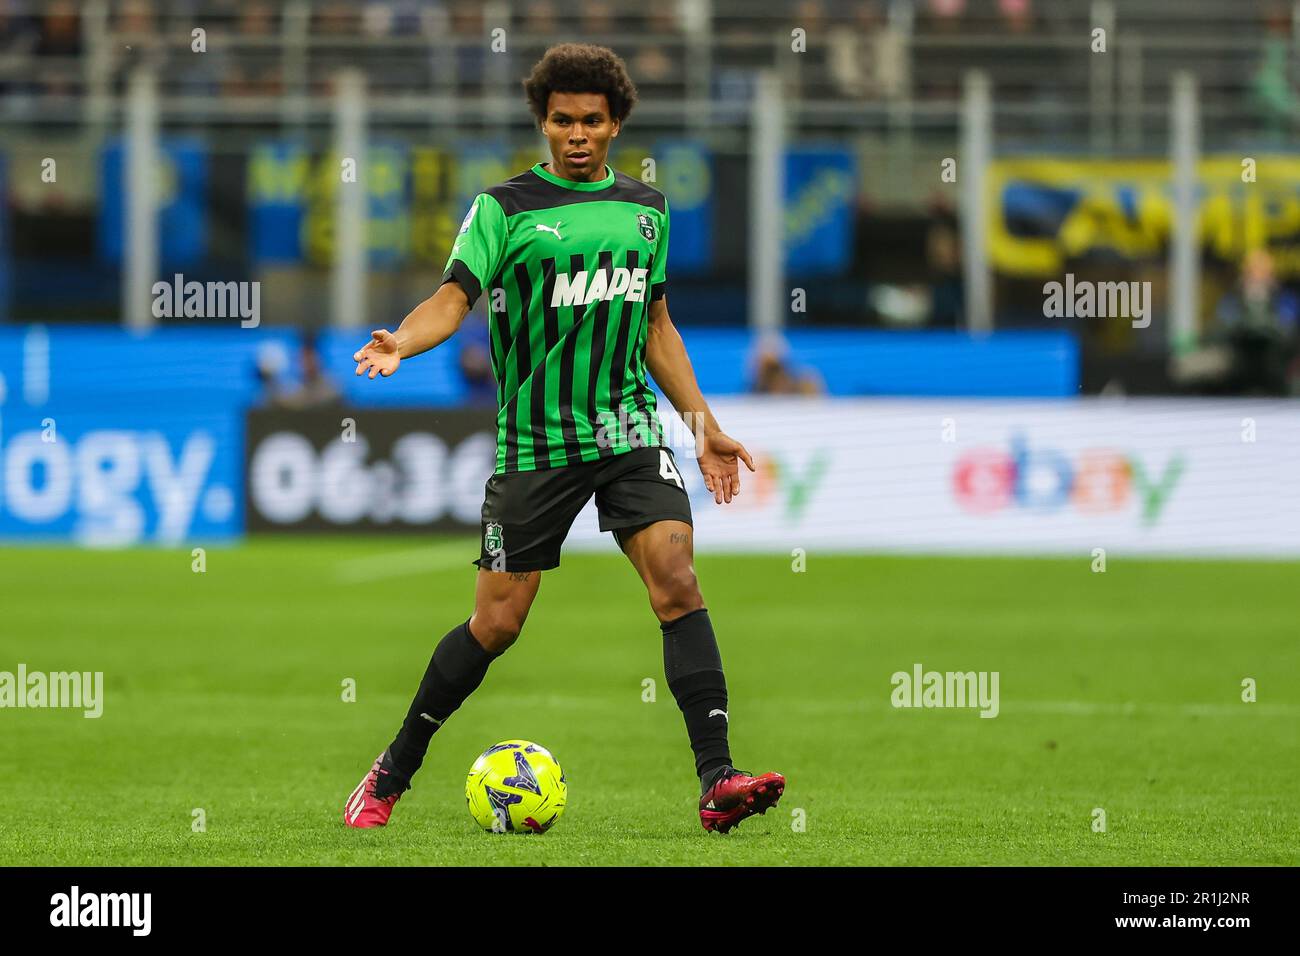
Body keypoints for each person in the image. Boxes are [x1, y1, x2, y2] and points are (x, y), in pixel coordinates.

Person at [343, 43, 784, 834]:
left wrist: (704, 428)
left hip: (625, 429)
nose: (576, 134)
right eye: (560, 121)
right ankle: (390, 772)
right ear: (542, 123)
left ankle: (719, 780)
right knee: (498, 624)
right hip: (535, 443)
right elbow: (453, 299)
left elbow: (656, 328)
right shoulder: (503, 209)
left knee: (677, 577)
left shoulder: (647, 210)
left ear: (615, 124)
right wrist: (402, 342)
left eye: (591, 120)